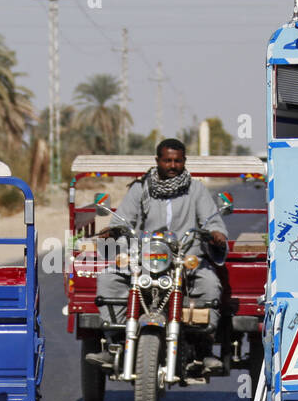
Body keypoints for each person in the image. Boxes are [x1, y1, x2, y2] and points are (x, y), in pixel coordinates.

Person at [90, 138, 228, 369]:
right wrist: (112, 231)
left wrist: (216, 233)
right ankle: (116, 342)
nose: (172, 166)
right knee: (108, 278)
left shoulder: (196, 189)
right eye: (167, 161)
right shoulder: (141, 187)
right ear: (158, 161)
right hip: (144, 257)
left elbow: (211, 219)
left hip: (184, 258)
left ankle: (203, 349)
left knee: (209, 285)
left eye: (177, 161)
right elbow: (123, 220)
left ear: (184, 161)